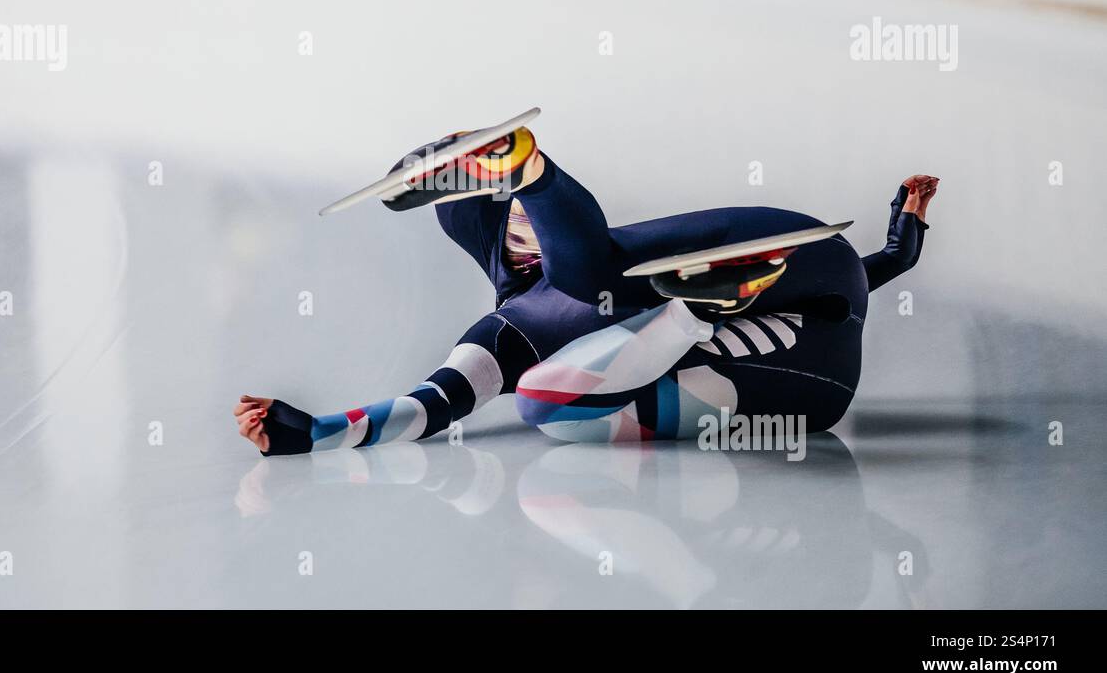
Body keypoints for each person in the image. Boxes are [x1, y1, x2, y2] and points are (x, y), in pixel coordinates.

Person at [235, 126, 937, 454]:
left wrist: (898, 242)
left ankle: (538, 177)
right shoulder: (504, 331)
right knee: (550, 401)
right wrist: (315, 433)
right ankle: (692, 308)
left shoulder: (591, 274)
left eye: (525, 212)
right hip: (786, 366)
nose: (523, 235)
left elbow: (855, 276)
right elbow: (429, 407)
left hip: (807, 301)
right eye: (509, 219)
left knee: (559, 388)